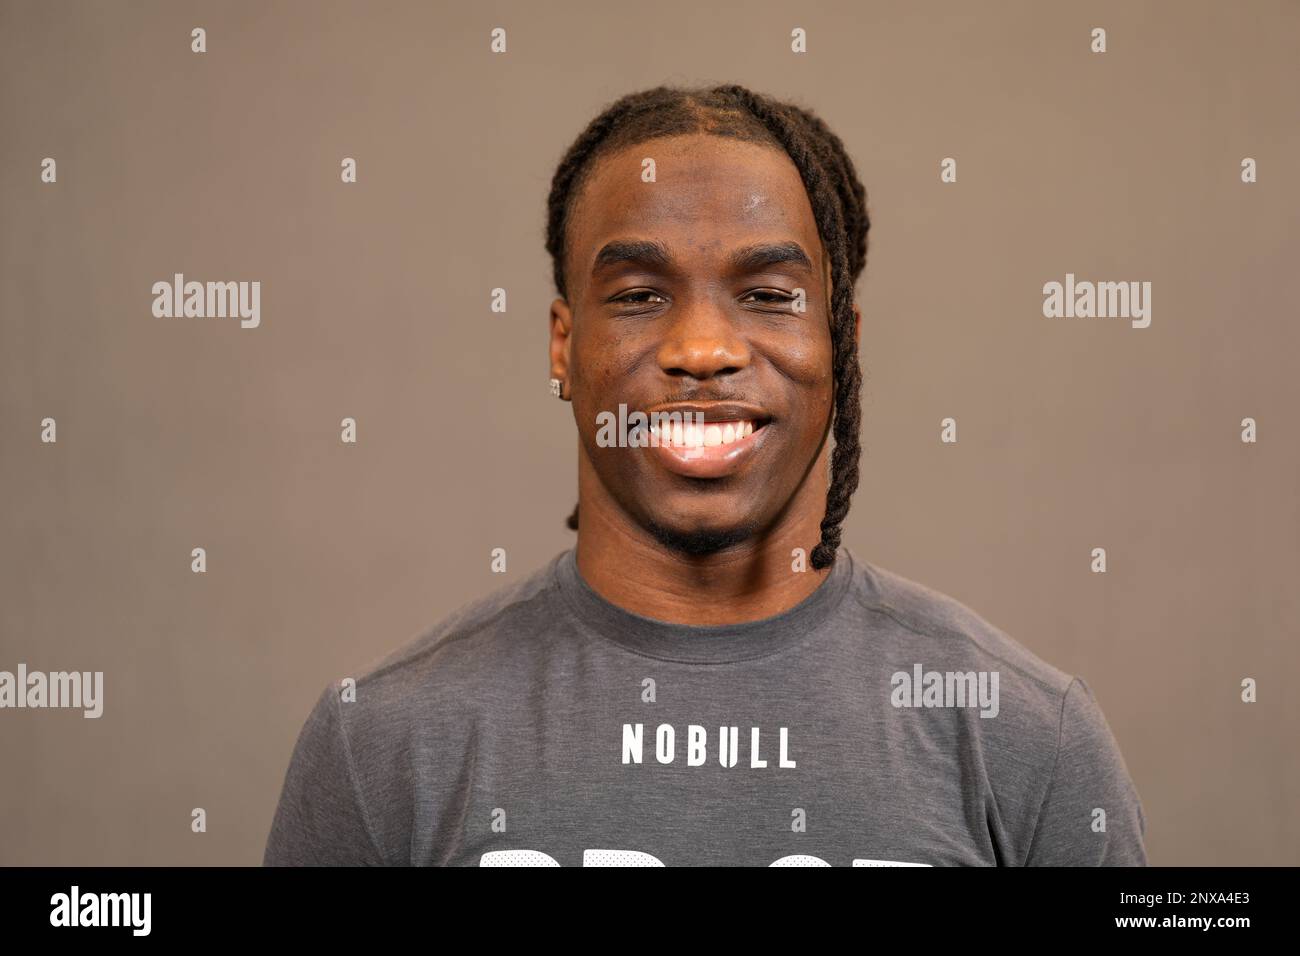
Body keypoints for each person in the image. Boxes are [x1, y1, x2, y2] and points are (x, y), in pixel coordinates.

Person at [264, 84, 1147, 866]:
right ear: (564, 345)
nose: (702, 350)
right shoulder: (383, 743)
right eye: (640, 294)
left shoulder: (1025, 736)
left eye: (768, 295)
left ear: (842, 346)